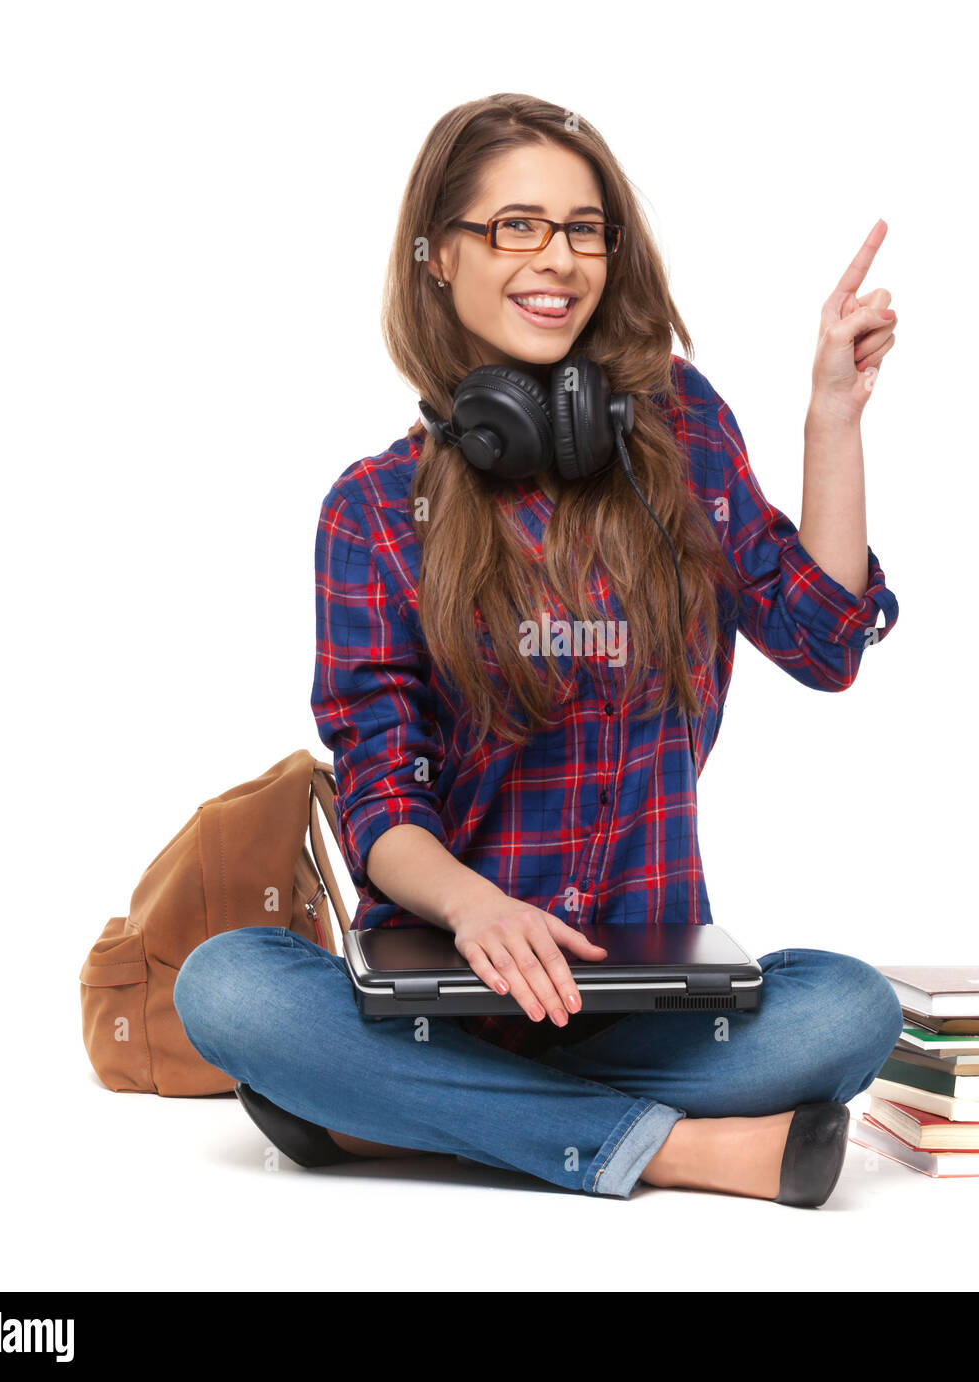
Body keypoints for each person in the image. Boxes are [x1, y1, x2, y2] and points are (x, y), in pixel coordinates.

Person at [173, 92, 904, 1208]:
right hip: (445, 987)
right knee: (230, 989)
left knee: (852, 1009)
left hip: (638, 999)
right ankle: (679, 1150)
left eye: (582, 226)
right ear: (437, 257)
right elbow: (378, 793)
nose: (556, 257)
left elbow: (822, 643)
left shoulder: (681, 437)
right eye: (516, 225)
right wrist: (474, 908)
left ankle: (400, 1116)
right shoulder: (370, 510)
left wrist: (832, 419)